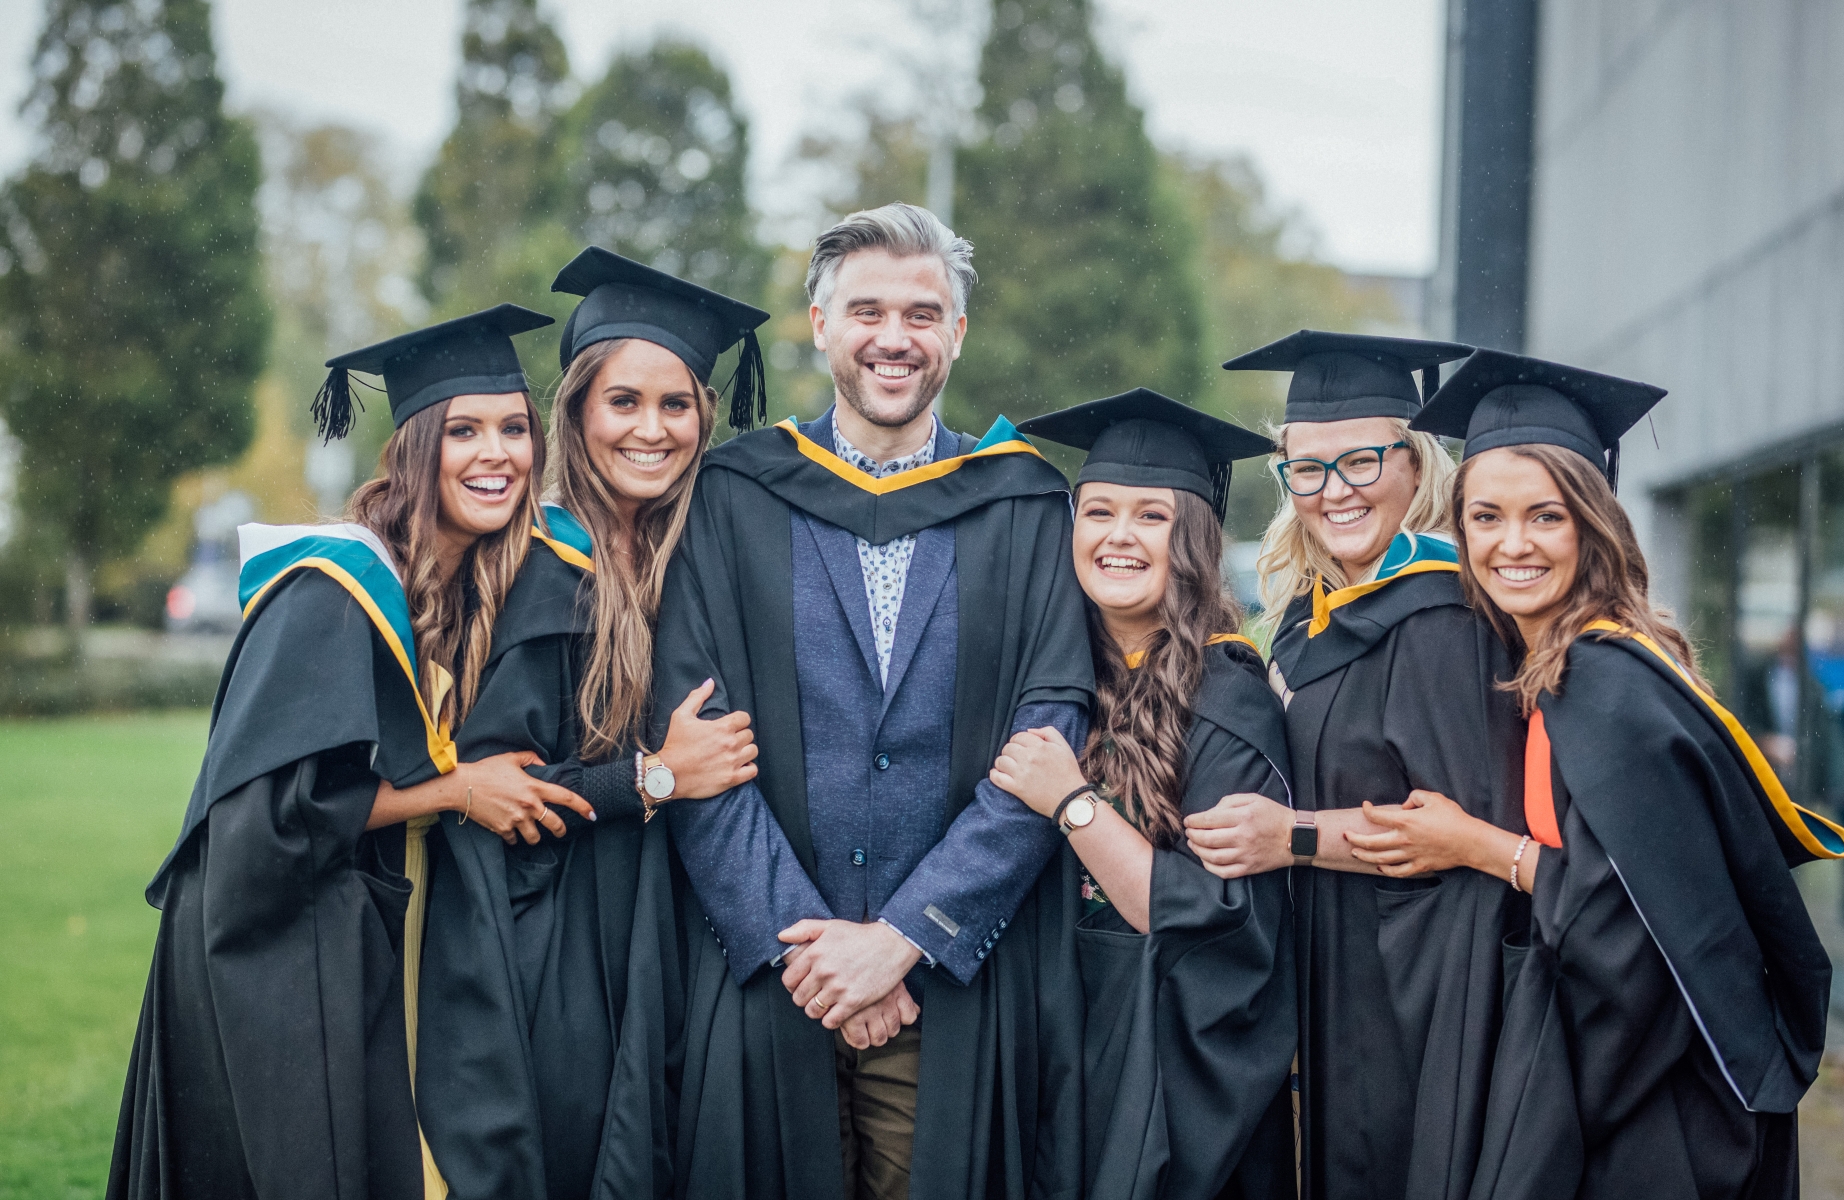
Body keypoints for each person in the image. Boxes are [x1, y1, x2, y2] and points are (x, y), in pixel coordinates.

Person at [648, 202, 1096, 1200]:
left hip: (947, 979)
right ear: (819, 322)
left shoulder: (1022, 501)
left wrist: (903, 936)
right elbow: (690, 731)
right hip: (772, 976)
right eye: (868, 310)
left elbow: (1050, 729)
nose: (895, 338)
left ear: (958, 334)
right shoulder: (735, 493)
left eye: (923, 314)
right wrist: (807, 948)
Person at [110, 306, 598, 1200]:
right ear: (416, 446)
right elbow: (265, 819)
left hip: (361, 918)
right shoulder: (331, 591)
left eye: (515, 430)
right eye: (464, 431)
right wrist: (456, 791)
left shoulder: (469, 583)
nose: (497, 454)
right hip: (268, 941)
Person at [1348, 351, 1844, 1198]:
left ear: (1593, 522)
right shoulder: (1582, 662)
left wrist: (1481, 847)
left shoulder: (1601, 685)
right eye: (1485, 518)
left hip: (1666, 1108)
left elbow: (1629, 930)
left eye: (1545, 516)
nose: (1512, 544)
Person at [413, 248, 767, 1199]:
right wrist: (654, 777)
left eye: (676, 405)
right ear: (574, 414)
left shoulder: (687, 557)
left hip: (663, 927)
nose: (652, 431)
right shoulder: (541, 570)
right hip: (557, 941)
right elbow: (496, 795)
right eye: (623, 403)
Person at [1184, 330, 1528, 1200]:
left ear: (1416, 466)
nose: (1333, 492)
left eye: (1362, 462)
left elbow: (1449, 829)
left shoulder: (1448, 616)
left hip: (1414, 977)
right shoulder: (1307, 617)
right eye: (1307, 469)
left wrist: (1287, 838)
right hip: (1334, 965)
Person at [996, 389, 1295, 1199]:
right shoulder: (1052, 678)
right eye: (1097, 512)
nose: (1118, 537)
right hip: (1055, 1032)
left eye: (1151, 517)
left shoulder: (1229, 697)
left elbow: (1203, 910)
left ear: (1192, 539)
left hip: (1163, 1064)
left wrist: (1071, 801)